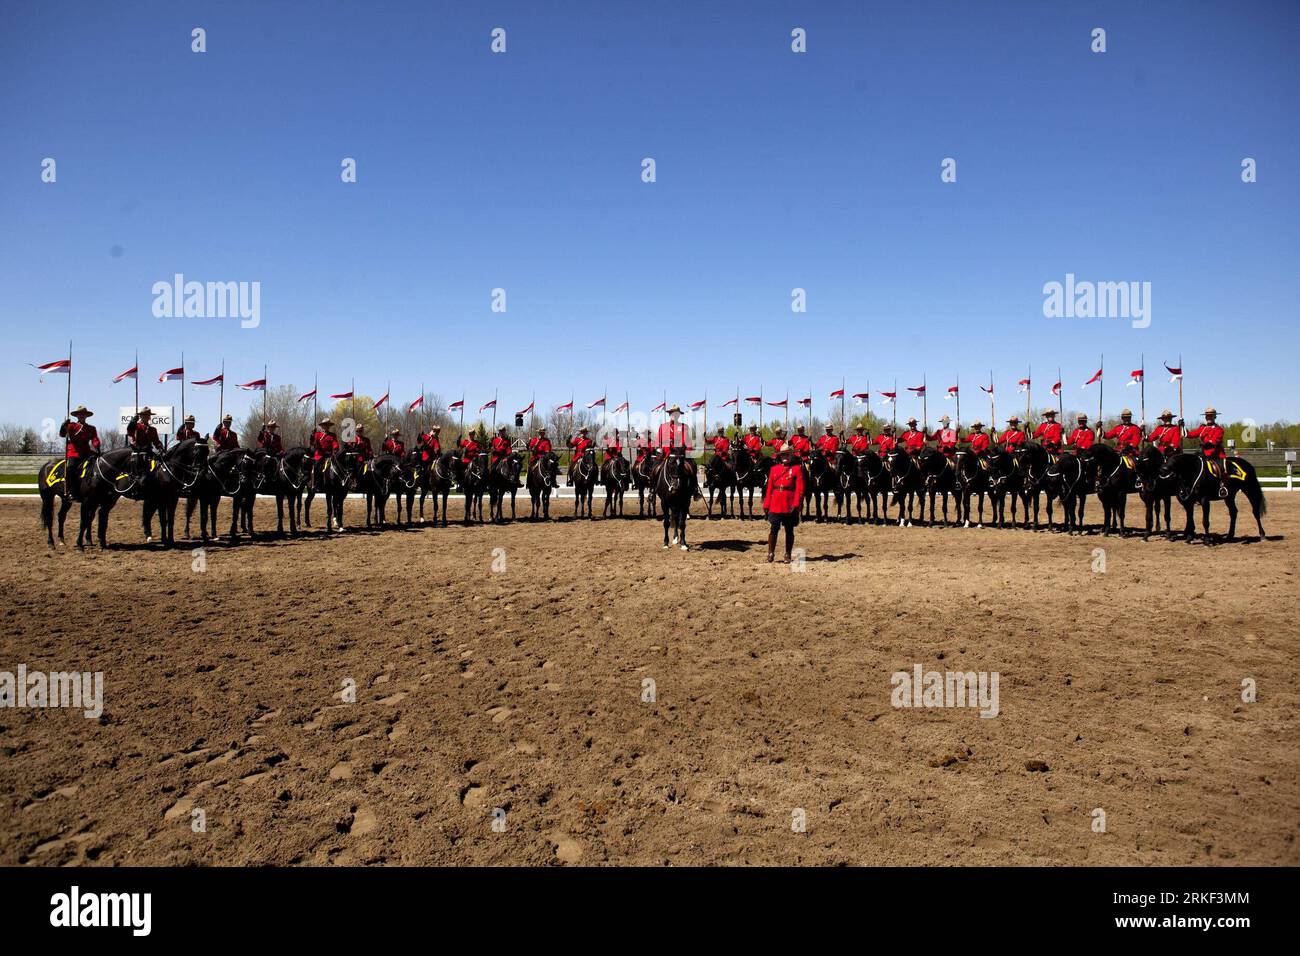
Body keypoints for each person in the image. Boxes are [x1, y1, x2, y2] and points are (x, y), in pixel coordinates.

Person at [762, 443, 806, 564]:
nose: (785, 457)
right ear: (779, 456)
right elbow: (769, 488)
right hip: (775, 503)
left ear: (791, 456)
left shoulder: (797, 469)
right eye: (783, 455)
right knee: (774, 529)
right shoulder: (774, 469)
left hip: (789, 504)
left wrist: (797, 504)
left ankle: (787, 554)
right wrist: (766, 504)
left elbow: (800, 489)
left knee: (789, 530)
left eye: (787, 454)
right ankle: (770, 553)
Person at [655, 404, 701, 499]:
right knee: (655, 468)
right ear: (670, 414)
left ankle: (695, 489)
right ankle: (652, 490)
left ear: (679, 415)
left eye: (676, 414)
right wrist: (659, 449)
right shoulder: (663, 427)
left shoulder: (684, 427)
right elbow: (658, 442)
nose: (674, 415)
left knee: (693, 466)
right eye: (672, 413)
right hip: (666, 455)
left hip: (680, 455)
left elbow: (686, 441)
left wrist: (686, 449)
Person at [58, 405, 100, 500]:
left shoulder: (91, 428)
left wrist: (97, 445)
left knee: (100, 464)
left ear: (86, 416)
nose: (82, 416)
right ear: (77, 416)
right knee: (71, 468)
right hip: (74, 451)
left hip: (86, 452)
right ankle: (71, 491)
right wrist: (63, 426)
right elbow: (62, 435)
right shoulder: (71, 426)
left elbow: (94, 439)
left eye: (83, 414)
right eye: (80, 414)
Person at [1184, 407, 1228, 496]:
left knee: (1220, 468)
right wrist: (1182, 426)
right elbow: (1189, 435)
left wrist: (1207, 444)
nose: (1209, 418)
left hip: (1216, 455)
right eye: (1207, 416)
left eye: (1211, 416)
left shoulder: (1219, 429)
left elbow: (1215, 441)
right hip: (1203, 454)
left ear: (1215, 417)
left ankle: (1222, 486)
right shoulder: (1202, 428)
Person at [126, 406, 163, 480]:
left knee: (160, 463)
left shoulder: (153, 429)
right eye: (145, 415)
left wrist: (160, 447)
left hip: (148, 452)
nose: (147, 417)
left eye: (148, 415)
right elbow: (129, 431)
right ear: (141, 416)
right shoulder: (136, 426)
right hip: (137, 451)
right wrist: (132, 422)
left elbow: (156, 441)